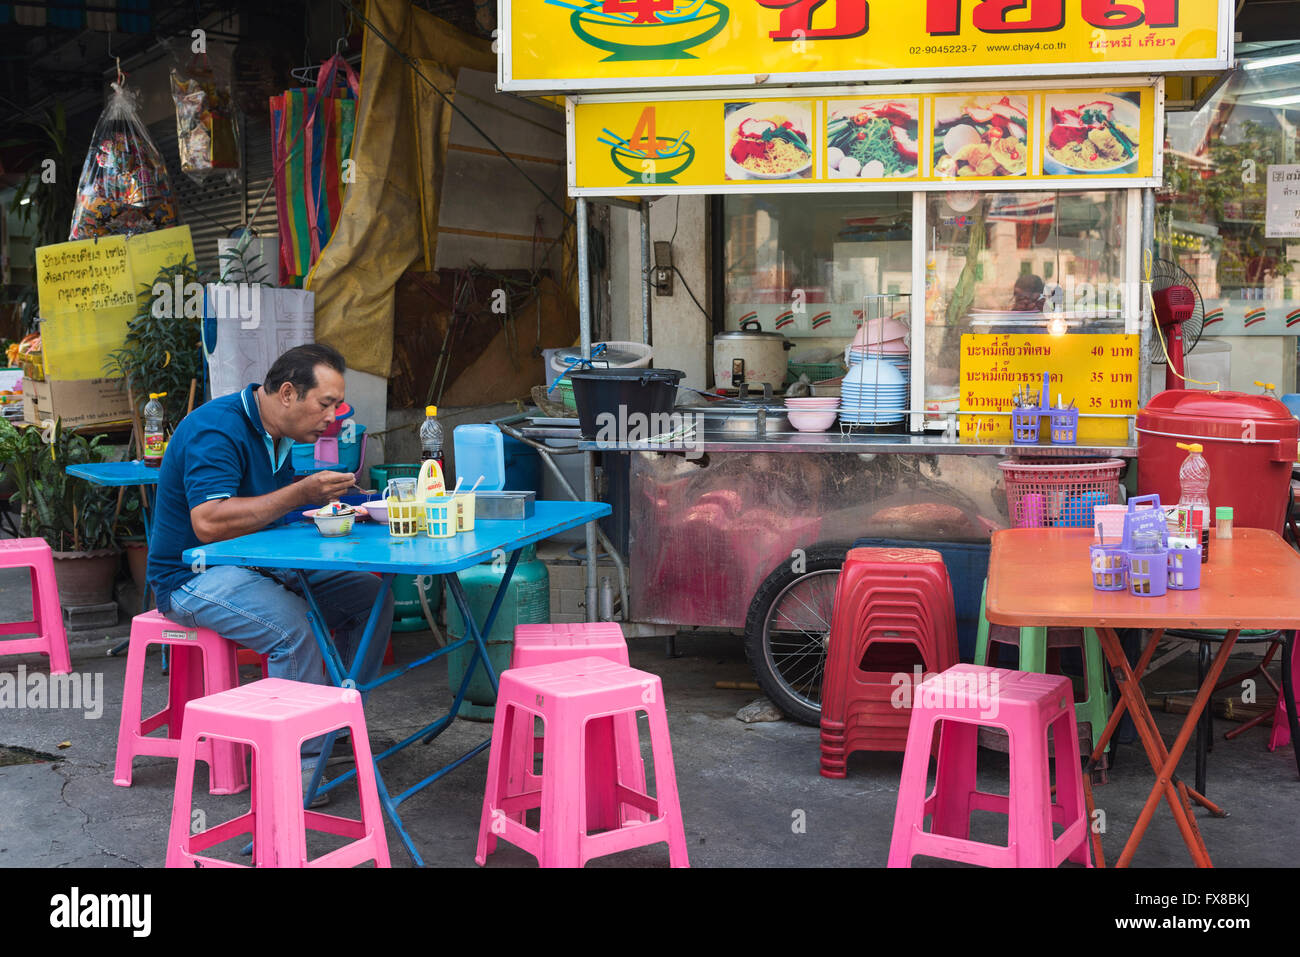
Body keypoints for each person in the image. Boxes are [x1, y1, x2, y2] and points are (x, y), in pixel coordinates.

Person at [146, 343, 393, 805]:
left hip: (254, 563)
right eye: (325, 404)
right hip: (191, 575)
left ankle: (332, 727)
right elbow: (210, 521)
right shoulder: (216, 429)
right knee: (293, 629)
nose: (332, 417)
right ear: (286, 393)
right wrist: (300, 494)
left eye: (336, 406)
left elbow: (269, 516)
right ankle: (296, 764)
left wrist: (347, 506)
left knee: (369, 597)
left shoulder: (277, 433)